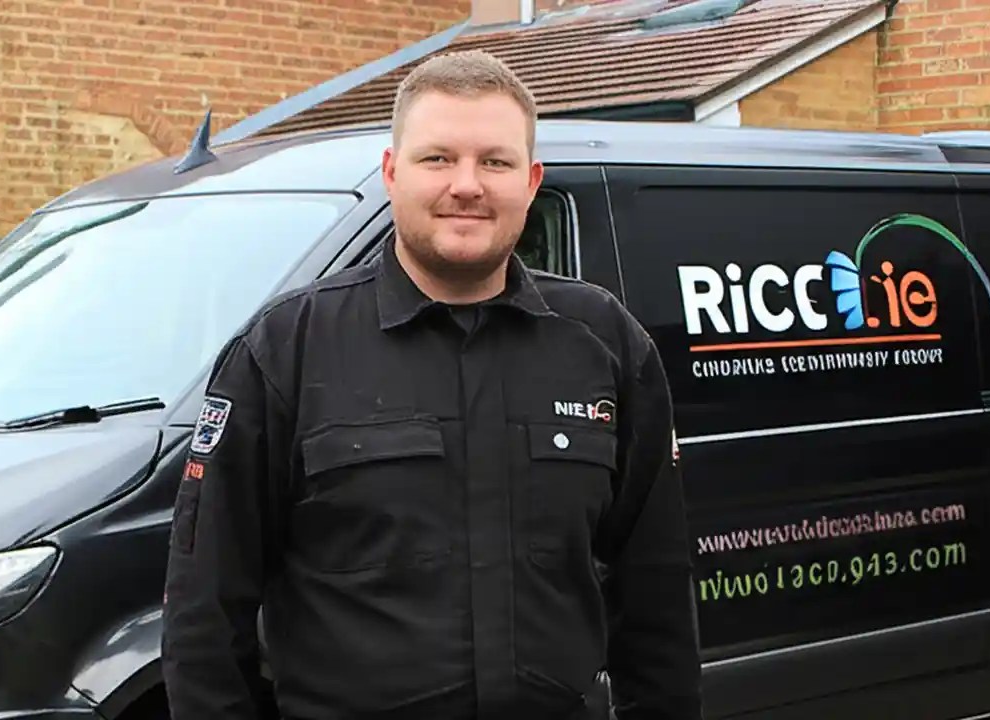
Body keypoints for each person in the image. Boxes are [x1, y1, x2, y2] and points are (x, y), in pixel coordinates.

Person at [162, 48, 703, 720]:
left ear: (531, 181)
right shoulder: (284, 352)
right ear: (393, 173)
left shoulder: (607, 345)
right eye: (438, 158)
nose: (467, 185)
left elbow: (657, 605)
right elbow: (205, 620)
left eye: (495, 162)